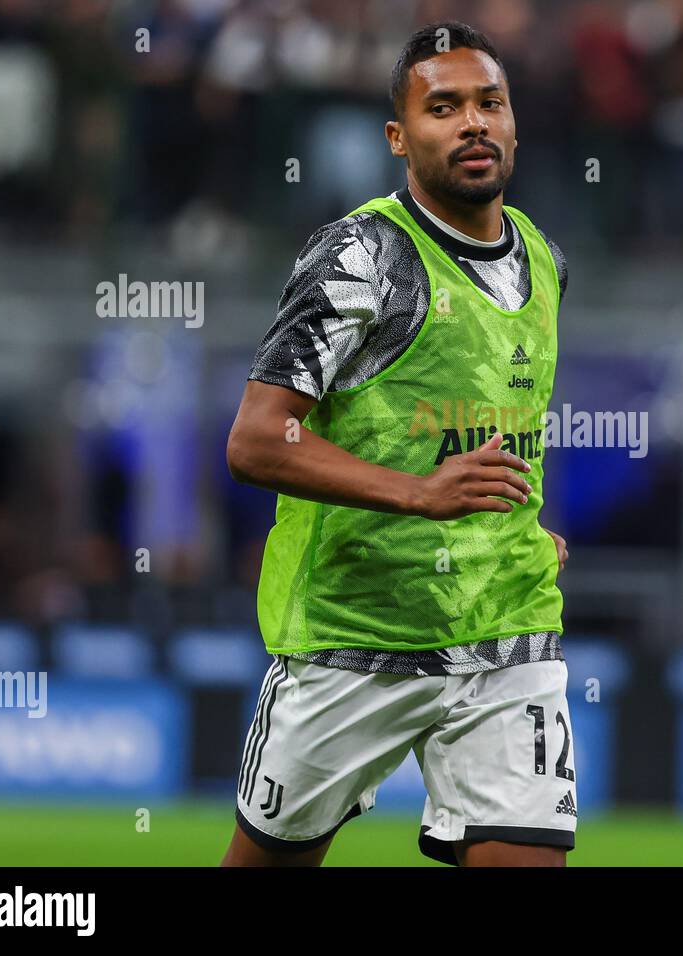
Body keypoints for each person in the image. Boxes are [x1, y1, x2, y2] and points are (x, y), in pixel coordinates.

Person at [221, 21, 574, 867]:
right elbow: (257, 441)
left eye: (490, 103)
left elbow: (495, 426)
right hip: (355, 634)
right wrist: (422, 496)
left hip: (506, 631)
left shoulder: (546, 259)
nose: (473, 124)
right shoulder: (361, 257)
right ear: (399, 137)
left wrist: (519, 527)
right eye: (443, 108)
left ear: (515, 122)